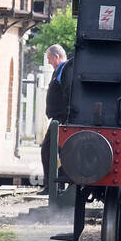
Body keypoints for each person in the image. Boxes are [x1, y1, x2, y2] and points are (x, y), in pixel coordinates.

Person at [41, 45, 69, 191]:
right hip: (58, 118)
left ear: (56, 57)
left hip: (61, 118)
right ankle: (56, 185)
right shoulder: (61, 70)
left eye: (49, 59)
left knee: (48, 149)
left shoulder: (64, 69)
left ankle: (52, 186)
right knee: (56, 150)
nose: (49, 62)